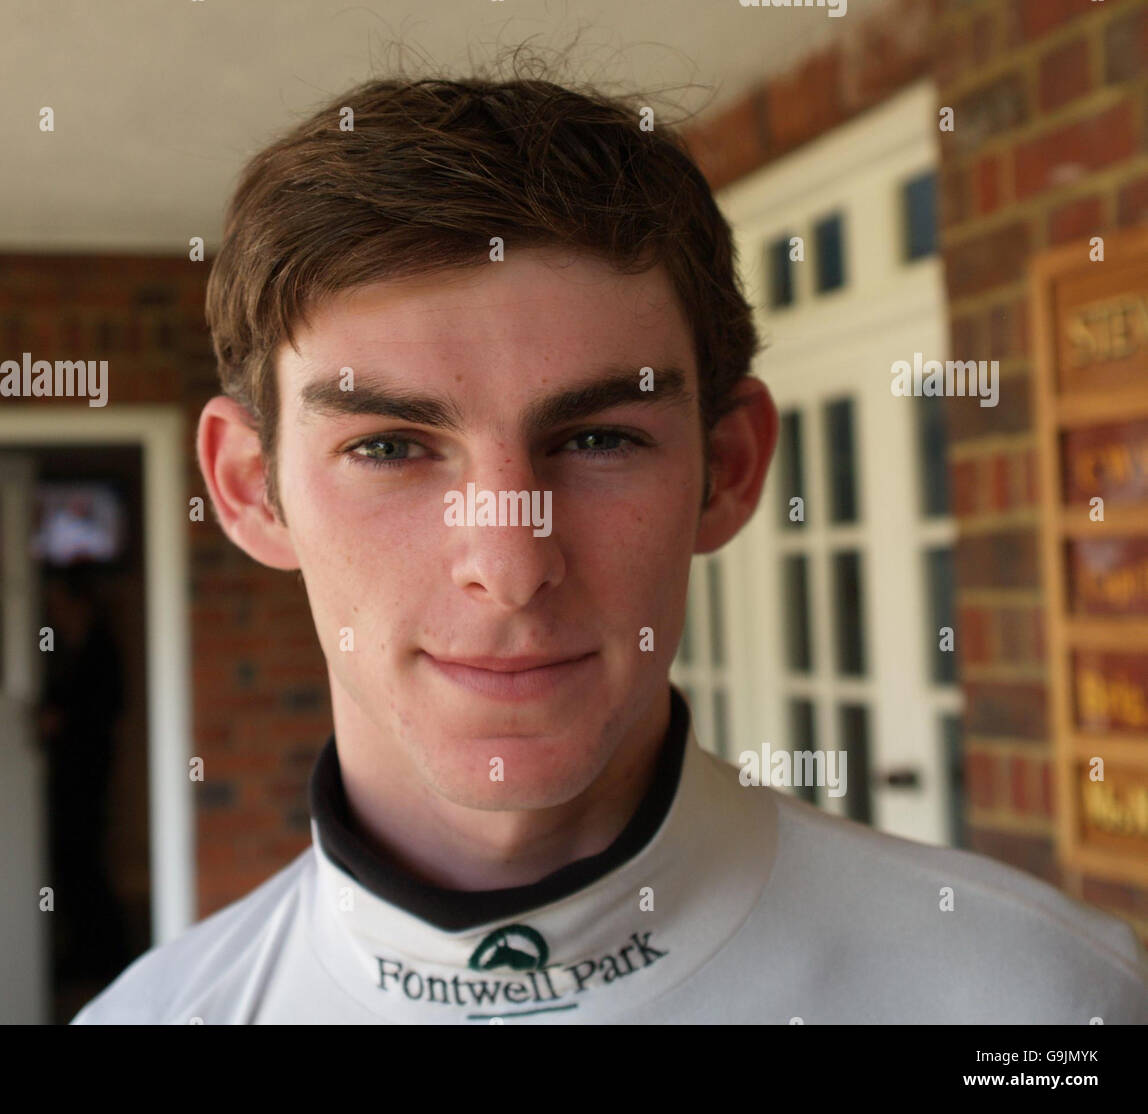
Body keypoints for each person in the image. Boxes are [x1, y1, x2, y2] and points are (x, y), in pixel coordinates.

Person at [72, 64, 1148, 1024]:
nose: (510, 560)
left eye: (597, 438)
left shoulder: (1045, 999)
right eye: (392, 446)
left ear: (725, 471)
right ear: (253, 490)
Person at [40, 562, 129, 983]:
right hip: (66, 770)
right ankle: (84, 952)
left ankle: (106, 956)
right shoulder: (61, 648)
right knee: (70, 860)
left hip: (88, 768)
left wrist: (65, 722)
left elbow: (108, 707)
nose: (52, 611)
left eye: (58, 602)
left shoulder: (99, 647)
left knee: (84, 859)